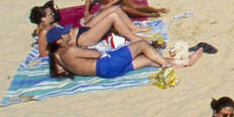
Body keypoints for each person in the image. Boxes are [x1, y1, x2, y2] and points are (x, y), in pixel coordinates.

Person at [48, 30, 197, 79]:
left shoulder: (56, 56)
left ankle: (182, 62)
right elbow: (96, 54)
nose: (69, 34)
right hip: (106, 63)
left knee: (146, 60)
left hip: (105, 72)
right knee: (142, 45)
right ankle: (166, 66)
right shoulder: (70, 50)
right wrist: (88, 49)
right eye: (65, 34)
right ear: (59, 40)